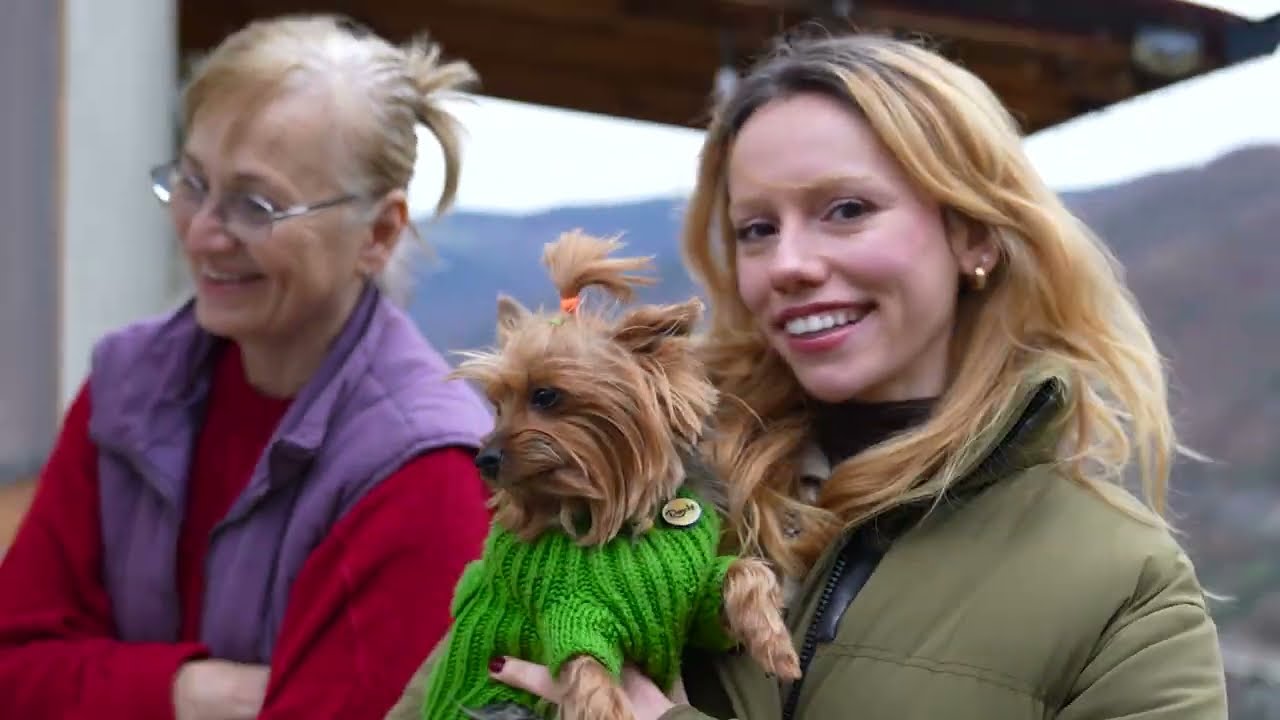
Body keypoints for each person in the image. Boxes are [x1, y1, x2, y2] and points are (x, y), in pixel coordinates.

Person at [395, 31, 1229, 720]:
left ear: (975, 236)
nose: (788, 264)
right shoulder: (638, 480)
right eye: (756, 228)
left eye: (846, 210)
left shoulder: (1123, 586)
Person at [0, 14, 494, 720]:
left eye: (256, 205)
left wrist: (95, 680)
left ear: (378, 233)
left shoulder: (428, 475)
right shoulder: (129, 384)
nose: (203, 232)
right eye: (193, 182)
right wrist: (182, 693)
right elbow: (11, 668)